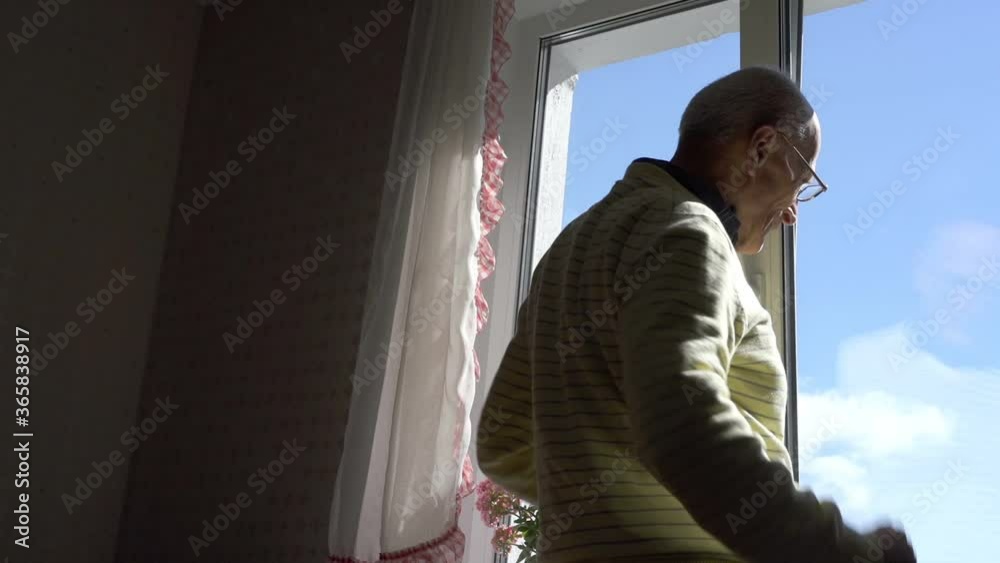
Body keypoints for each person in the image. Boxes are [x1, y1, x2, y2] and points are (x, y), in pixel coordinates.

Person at [476, 67, 917, 562]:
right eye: (802, 178)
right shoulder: (689, 230)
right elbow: (683, 426)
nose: (793, 210)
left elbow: (502, 440)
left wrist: (609, 495)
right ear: (761, 148)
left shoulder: (570, 247)